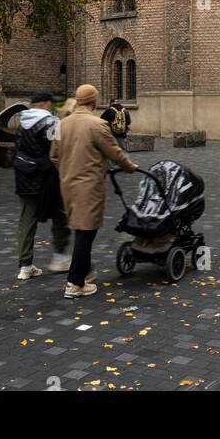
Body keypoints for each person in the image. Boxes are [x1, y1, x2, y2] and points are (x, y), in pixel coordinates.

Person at [51, 83, 138, 297]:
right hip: (89, 186)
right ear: (94, 101)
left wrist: (66, 171)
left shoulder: (62, 124)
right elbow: (115, 153)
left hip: (67, 185)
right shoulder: (97, 125)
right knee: (86, 233)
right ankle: (75, 283)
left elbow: (53, 155)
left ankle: (86, 273)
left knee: (81, 230)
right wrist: (130, 167)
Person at [14, 91, 71, 282]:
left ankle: (25, 266)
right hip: (48, 177)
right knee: (59, 215)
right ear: (45, 103)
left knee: (26, 221)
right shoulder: (51, 122)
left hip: (24, 176)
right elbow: (57, 149)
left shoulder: (22, 122)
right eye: (51, 103)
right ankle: (60, 258)